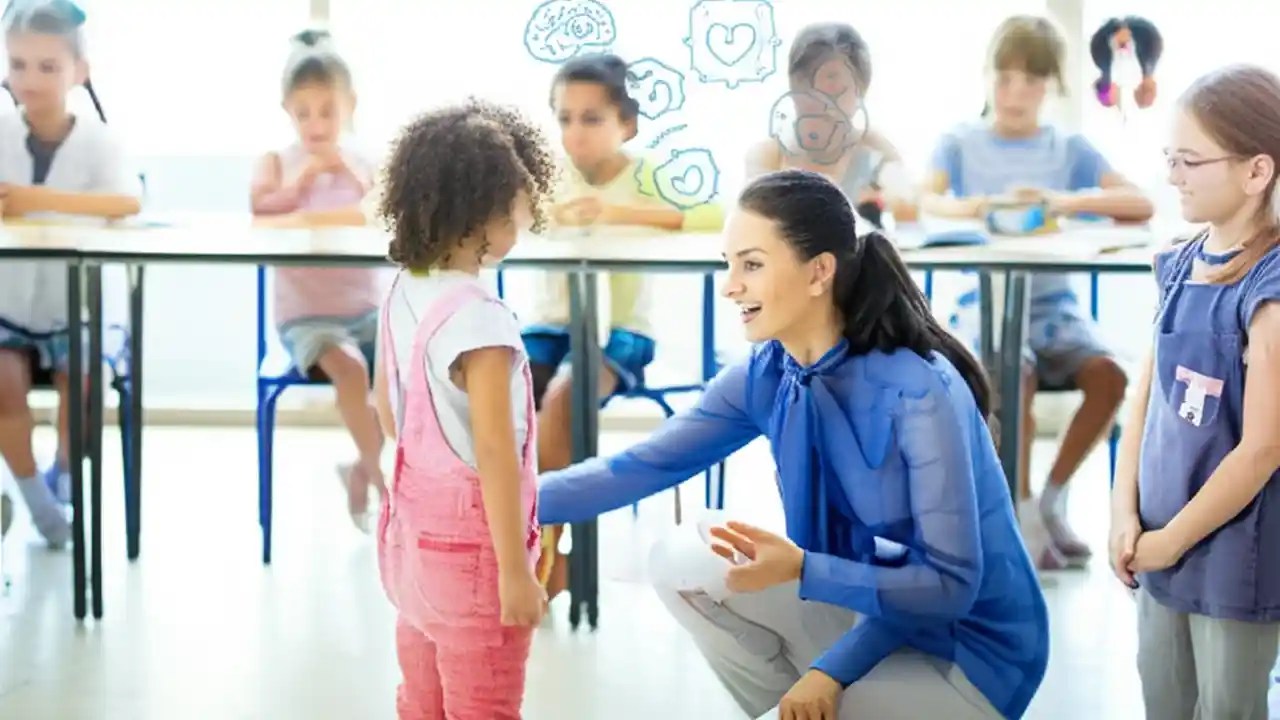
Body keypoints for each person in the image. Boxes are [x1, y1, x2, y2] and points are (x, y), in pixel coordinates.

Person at [538, 170, 1049, 719]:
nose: (731, 285)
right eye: (728, 264)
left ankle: (823, 695)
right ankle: (794, 706)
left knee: (796, 624)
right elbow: (636, 469)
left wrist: (823, 633)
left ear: (819, 272)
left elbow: (949, 587)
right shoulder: (767, 372)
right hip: (869, 613)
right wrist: (486, 501)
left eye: (751, 265)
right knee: (683, 559)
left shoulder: (918, 391)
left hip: (969, 658)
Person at [922, 14, 1153, 570]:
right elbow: (926, 202)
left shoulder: (1068, 147)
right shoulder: (959, 141)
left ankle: (1052, 499)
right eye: (1004, 78)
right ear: (987, 78)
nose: (1015, 92)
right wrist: (981, 206)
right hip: (986, 306)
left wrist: (1061, 200)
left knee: (1110, 377)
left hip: (1058, 311)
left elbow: (1141, 203)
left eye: (1031, 80)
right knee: (1011, 374)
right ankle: (1020, 508)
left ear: (1051, 85)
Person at [370, 98, 557, 719]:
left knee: (420, 705)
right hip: (475, 567)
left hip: (411, 555)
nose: (528, 217)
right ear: (486, 211)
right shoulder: (480, 318)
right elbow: (496, 453)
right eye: (522, 202)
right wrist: (514, 572)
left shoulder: (403, 288)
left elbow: (388, 410)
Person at [1110, 64, 1280, 720]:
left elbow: (1263, 450)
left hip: (1231, 558)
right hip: (1156, 544)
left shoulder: (1267, 288)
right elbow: (1141, 401)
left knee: (1226, 706)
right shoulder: (1179, 264)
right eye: (1168, 158)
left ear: (1256, 171)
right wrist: (1124, 514)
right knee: (1165, 698)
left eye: (1189, 160)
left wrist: (1172, 539)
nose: (1173, 175)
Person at [529, 53, 724, 592]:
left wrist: (616, 213)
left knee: (565, 398)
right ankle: (507, 545)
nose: (575, 132)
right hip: (550, 326)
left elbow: (715, 214)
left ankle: (551, 548)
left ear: (627, 124)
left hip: (622, 335)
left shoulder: (646, 175)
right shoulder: (545, 177)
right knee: (493, 388)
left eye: (592, 119)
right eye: (565, 118)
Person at [0, 0, 140, 547]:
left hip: (73, 308)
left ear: (79, 72)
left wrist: (35, 199)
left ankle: (63, 477)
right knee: (3, 386)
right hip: (8, 308)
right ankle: (36, 501)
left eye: (48, 67)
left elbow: (128, 202)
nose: (29, 79)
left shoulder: (99, 140)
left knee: (82, 385)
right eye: (17, 64)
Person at [249, 29, 388, 531]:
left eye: (327, 111)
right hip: (307, 317)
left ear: (350, 105)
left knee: (417, 370)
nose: (315, 124)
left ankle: (361, 466)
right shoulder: (275, 164)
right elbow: (260, 214)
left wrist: (347, 174)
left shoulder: (366, 164)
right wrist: (302, 183)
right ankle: (384, 487)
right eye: (303, 112)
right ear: (287, 109)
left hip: (368, 312)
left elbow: (383, 211)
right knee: (350, 371)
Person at [745, 22, 916, 225]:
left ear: (860, 90)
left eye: (834, 91)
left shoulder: (874, 150)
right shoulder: (770, 156)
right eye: (808, 88)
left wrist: (891, 199)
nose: (820, 105)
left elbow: (906, 206)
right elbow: (752, 218)